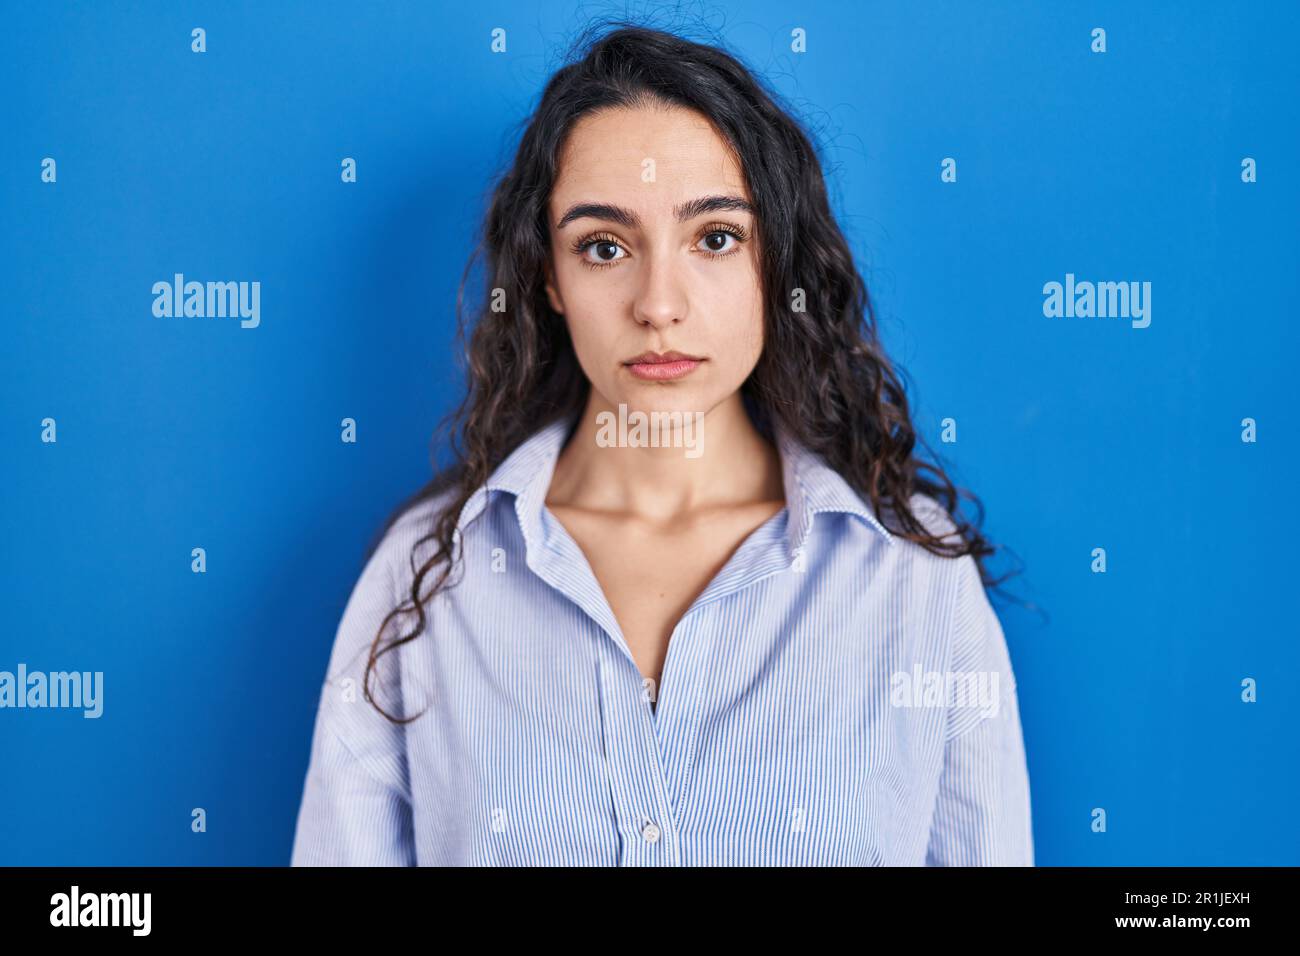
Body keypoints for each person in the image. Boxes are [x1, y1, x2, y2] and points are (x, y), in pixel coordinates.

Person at [291, 23, 1033, 866]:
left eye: (715, 238)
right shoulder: (426, 578)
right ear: (549, 278)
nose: (658, 304)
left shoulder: (912, 579)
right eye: (604, 247)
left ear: (775, 261)